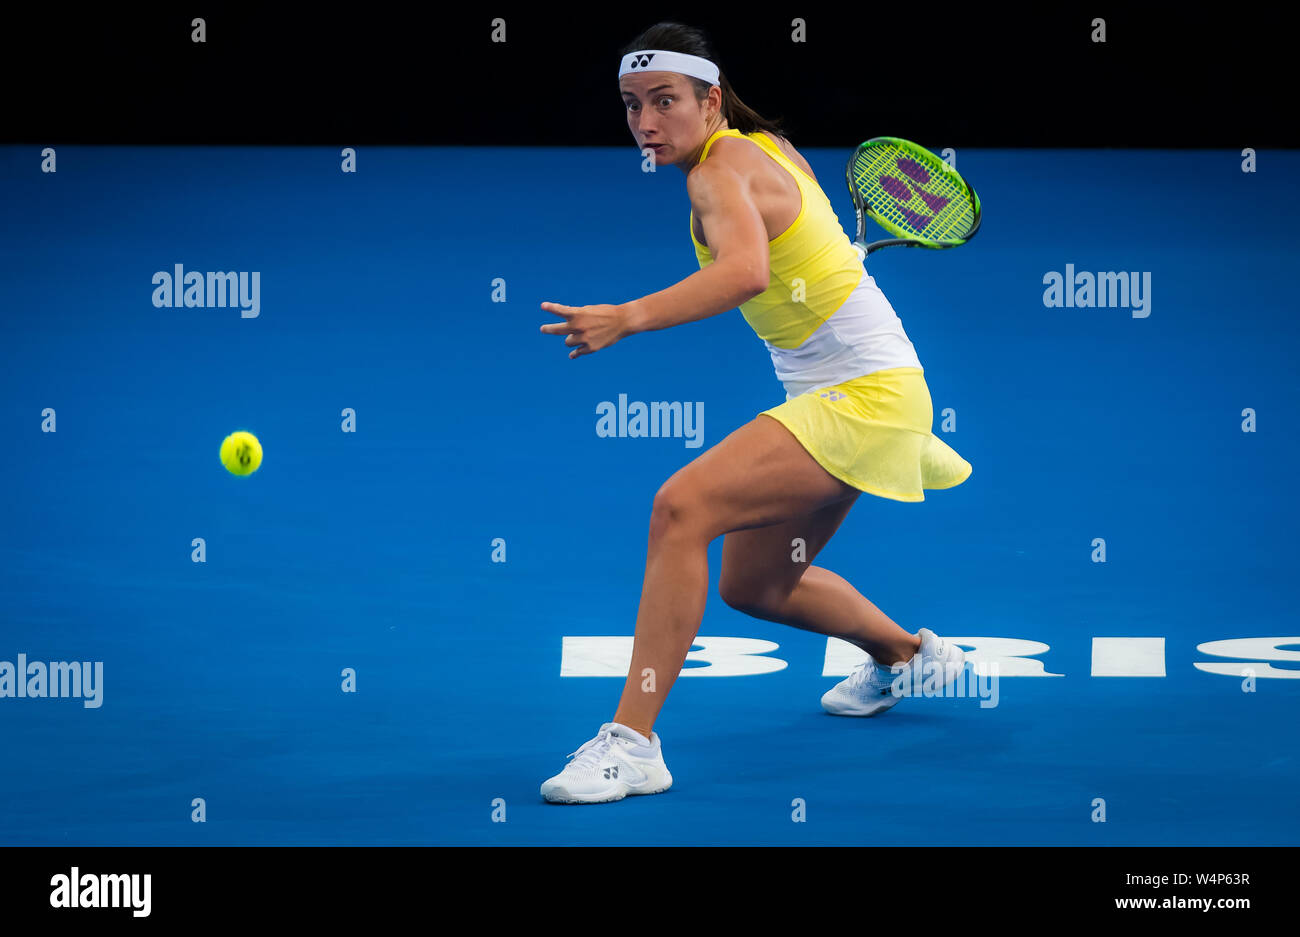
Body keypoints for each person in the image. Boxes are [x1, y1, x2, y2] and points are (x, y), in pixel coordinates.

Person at [537, 22, 973, 804]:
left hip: (864, 395)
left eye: (665, 101)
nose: (645, 122)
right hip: (862, 388)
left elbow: (744, 272)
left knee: (681, 507)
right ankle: (912, 657)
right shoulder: (762, 145)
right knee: (760, 583)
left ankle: (631, 743)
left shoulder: (718, 173)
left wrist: (626, 317)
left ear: (710, 100)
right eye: (633, 104)